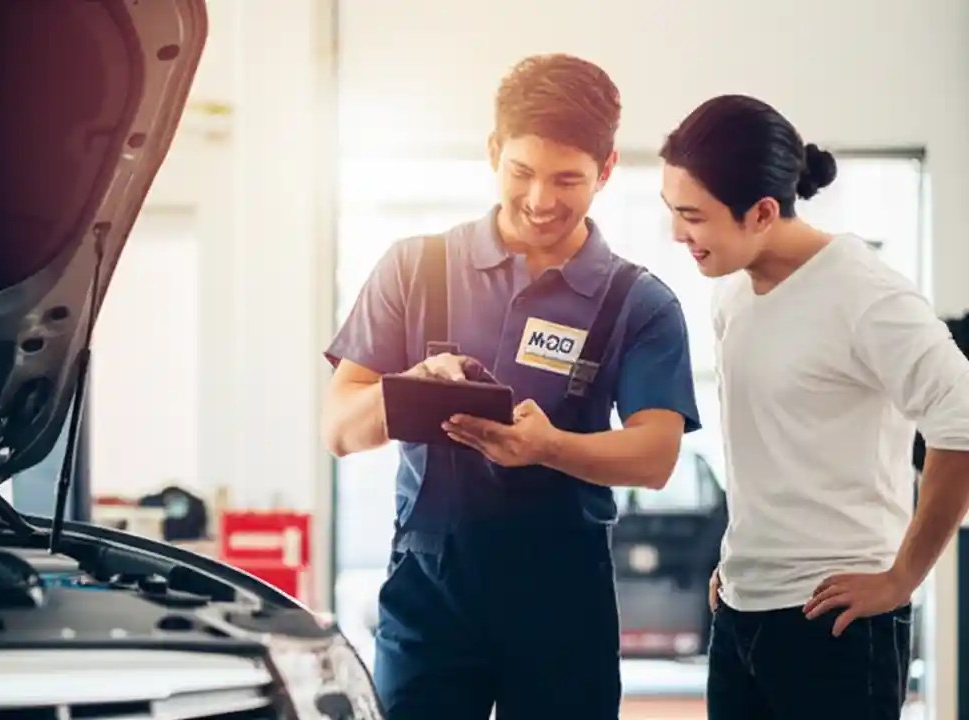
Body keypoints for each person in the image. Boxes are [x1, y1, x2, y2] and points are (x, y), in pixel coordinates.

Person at [321, 54, 701, 719]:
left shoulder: (638, 302)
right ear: (494, 151)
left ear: (607, 171)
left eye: (568, 180)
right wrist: (411, 385)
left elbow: (655, 455)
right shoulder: (415, 270)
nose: (540, 201)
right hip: (428, 593)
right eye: (521, 172)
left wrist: (549, 447)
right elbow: (341, 430)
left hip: (563, 598)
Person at [659, 94, 969, 719]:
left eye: (692, 216)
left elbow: (961, 420)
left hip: (836, 624)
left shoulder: (866, 294)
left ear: (763, 212)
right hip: (742, 613)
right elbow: (771, 444)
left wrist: (903, 576)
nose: (676, 233)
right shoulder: (733, 293)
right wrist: (740, 554)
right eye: (672, 211)